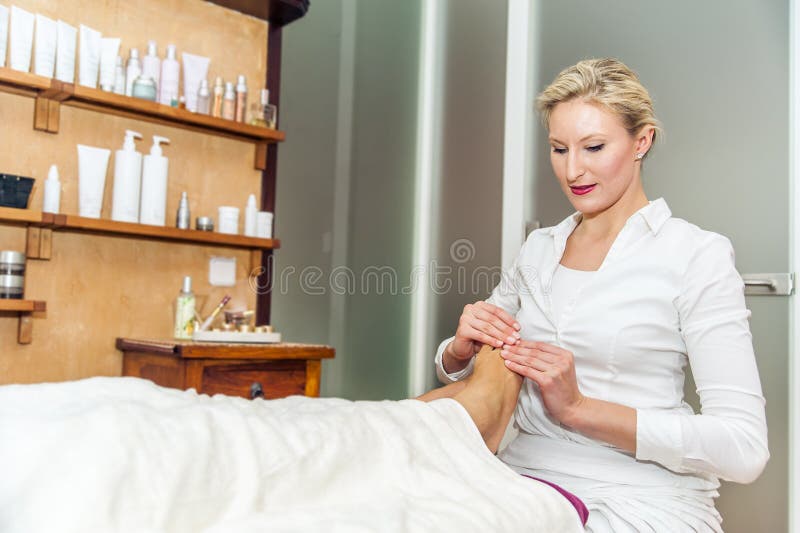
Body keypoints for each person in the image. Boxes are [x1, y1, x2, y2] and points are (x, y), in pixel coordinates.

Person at [430, 58, 769, 532]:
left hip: (641, 495)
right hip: (521, 484)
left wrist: (579, 409)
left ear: (641, 141)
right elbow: (468, 367)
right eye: (558, 149)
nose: (573, 170)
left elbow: (743, 448)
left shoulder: (695, 255)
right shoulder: (539, 249)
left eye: (593, 147)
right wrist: (458, 348)